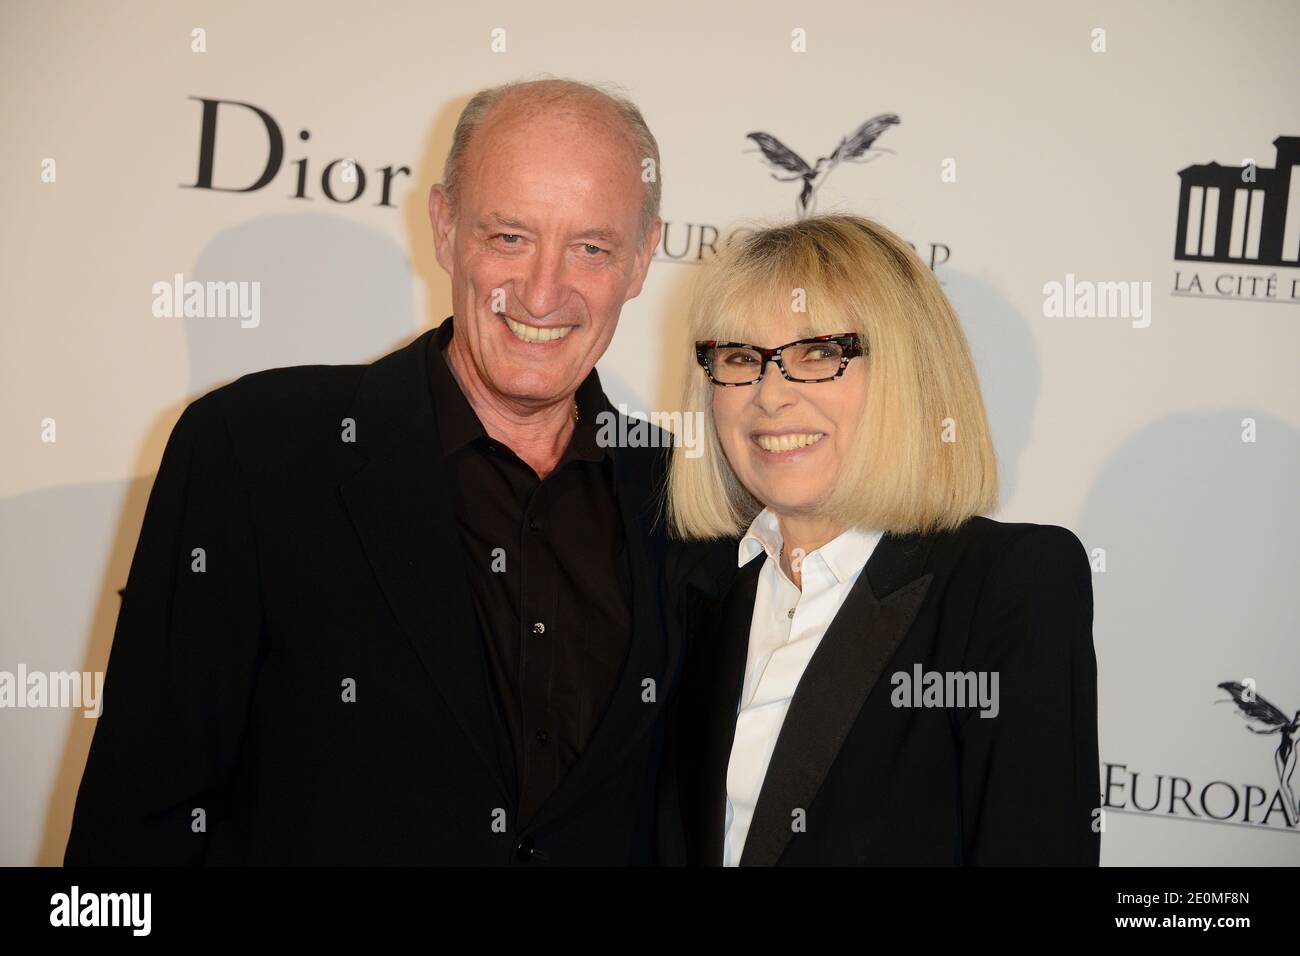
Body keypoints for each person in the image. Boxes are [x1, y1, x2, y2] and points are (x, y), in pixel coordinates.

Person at [64, 78, 674, 865]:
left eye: (591, 248)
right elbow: (139, 815)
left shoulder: (685, 498)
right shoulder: (254, 449)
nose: (542, 291)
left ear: (641, 258)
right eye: (509, 237)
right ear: (445, 228)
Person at [657, 214, 1100, 865]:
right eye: (742, 358)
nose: (769, 395)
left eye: (819, 354)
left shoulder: (1007, 587)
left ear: (910, 375)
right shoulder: (694, 584)